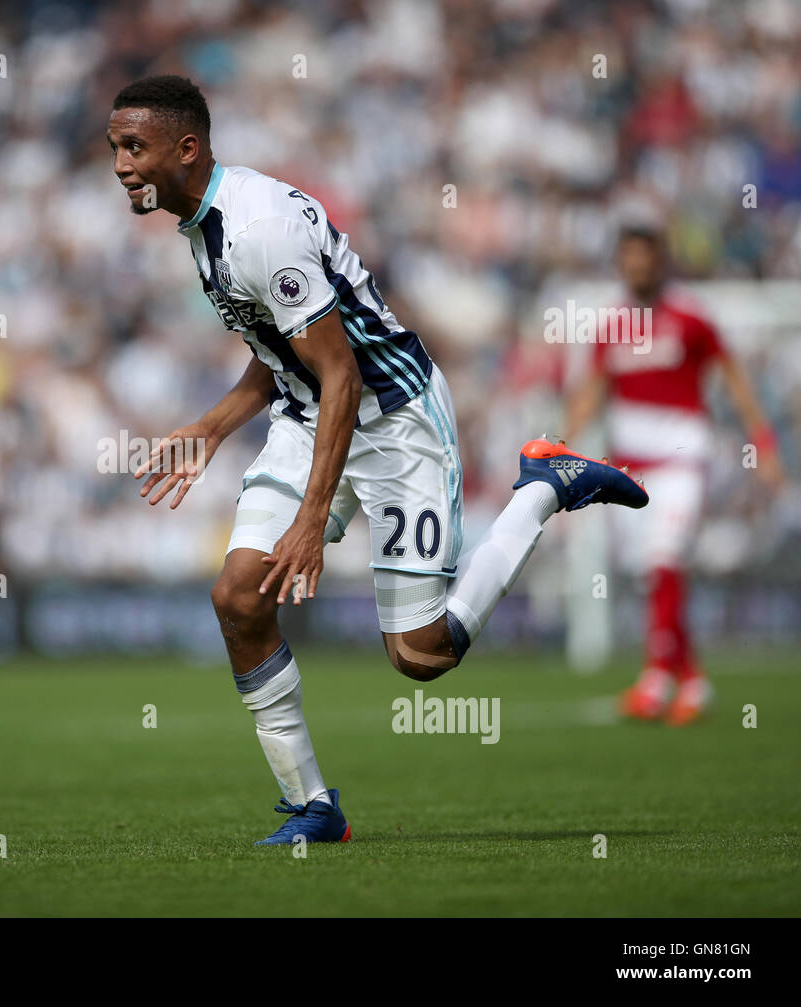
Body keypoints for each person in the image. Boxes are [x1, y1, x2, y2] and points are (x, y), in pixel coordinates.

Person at [109, 75, 649, 845]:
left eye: (135, 148)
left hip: (394, 420)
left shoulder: (258, 226)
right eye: (114, 149)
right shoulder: (204, 225)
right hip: (311, 417)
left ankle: (543, 488)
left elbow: (343, 371)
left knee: (421, 657)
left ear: (185, 148)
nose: (122, 165)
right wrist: (213, 424)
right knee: (238, 596)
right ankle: (315, 808)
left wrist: (308, 520)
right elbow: (283, 355)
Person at [566, 224, 784, 725]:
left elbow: (733, 376)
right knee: (653, 575)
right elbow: (591, 391)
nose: (637, 266)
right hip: (629, 471)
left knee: (665, 560)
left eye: (645, 256)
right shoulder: (612, 326)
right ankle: (694, 681)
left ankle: (655, 680)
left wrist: (763, 443)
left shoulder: (689, 318)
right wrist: (562, 445)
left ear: (660, 259)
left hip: (683, 460)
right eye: (629, 258)